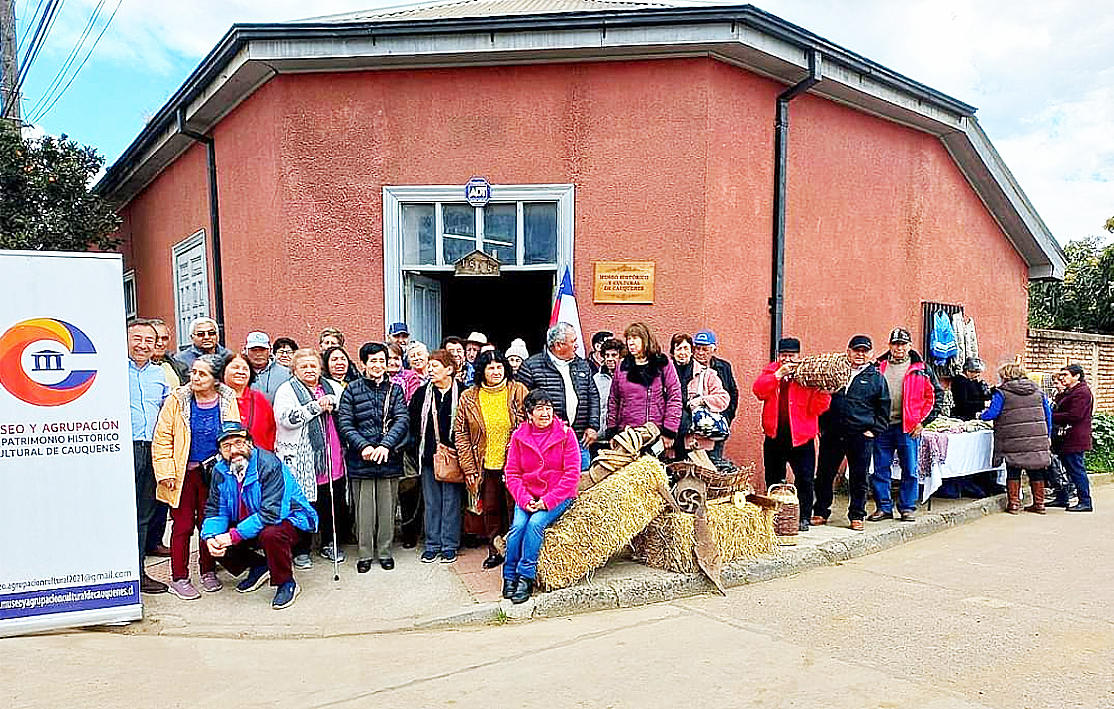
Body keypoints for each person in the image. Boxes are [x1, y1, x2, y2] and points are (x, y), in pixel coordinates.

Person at [201, 421, 319, 610]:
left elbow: (272, 513)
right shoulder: (220, 471)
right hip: (251, 521)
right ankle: (259, 566)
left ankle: (286, 582)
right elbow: (216, 509)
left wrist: (233, 536)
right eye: (226, 446)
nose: (234, 451)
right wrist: (210, 537)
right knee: (210, 537)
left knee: (270, 534)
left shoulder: (269, 464)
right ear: (220, 451)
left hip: (290, 520)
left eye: (239, 443)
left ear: (250, 443)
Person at [152, 354, 240, 600]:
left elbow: (233, 437)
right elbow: (162, 438)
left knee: (209, 523)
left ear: (215, 379)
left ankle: (208, 570)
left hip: (214, 474)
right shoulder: (177, 400)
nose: (195, 377)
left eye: (202, 374)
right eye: (193, 372)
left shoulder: (226, 399)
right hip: (182, 475)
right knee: (182, 527)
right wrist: (166, 471)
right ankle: (179, 576)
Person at [502, 388, 582, 604]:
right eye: (539, 409)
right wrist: (525, 499)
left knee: (535, 525)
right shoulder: (519, 436)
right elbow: (512, 473)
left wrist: (546, 501)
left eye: (548, 408)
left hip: (557, 495)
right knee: (518, 527)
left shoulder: (566, 434)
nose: (545, 413)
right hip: (527, 494)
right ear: (529, 413)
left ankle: (525, 577)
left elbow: (572, 474)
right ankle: (509, 575)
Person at [336, 342, 410, 572]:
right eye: (373, 361)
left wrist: (386, 446)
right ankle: (365, 554)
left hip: (389, 458)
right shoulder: (352, 389)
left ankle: (385, 551)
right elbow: (345, 423)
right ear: (363, 364)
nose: (378, 365)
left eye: (382, 361)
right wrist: (364, 446)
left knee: (388, 509)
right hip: (361, 459)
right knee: (364, 509)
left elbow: (402, 420)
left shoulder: (395, 390)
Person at [456, 349, 529, 569]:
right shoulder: (469, 396)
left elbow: (530, 423)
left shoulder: (518, 391)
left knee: (514, 509)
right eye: (490, 367)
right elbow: (461, 434)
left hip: (516, 465)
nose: (496, 371)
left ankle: (517, 551)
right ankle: (496, 550)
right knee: (491, 510)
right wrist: (468, 467)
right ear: (482, 370)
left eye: (499, 366)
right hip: (485, 465)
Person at [273, 349, 346, 567]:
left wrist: (333, 402)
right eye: (303, 366)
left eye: (313, 365)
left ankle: (329, 543)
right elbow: (286, 419)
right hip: (301, 456)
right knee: (303, 503)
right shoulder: (286, 390)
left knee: (330, 501)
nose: (309, 370)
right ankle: (301, 548)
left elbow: (344, 408)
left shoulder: (330, 386)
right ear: (294, 369)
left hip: (331, 452)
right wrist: (316, 406)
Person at [751, 337, 831, 531]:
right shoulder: (771, 370)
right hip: (774, 437)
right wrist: (778, 375)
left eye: (791, 356)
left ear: (798, 356)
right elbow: (759, 391)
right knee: (774, 478)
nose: (787, 359)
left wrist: (823, 392)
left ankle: (803, 517)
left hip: (801, 439)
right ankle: (773, 517)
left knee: (804, 479)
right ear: (779, 356)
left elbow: (818, 409)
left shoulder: (808, 374)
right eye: (784, 355)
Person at [814, 336, 890, 531]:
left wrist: (873, 430)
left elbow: (884, 407)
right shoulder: (835, 372)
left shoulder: (877, 378)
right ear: (848, 351)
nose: (860, 354)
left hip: (860, 435)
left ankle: (857, 515)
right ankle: (821, 511)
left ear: (871, 354)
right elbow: (821, 397)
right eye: (856, 350)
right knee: (824, 474)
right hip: (832, 433)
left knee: (859, 477)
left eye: (865, 351)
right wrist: (822, 426)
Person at [869, 327, 942, 522]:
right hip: (883, 426)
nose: (899, 348)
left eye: (902, 344)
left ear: (909, 346)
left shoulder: (922, 368)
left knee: (910, 469)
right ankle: (884, 507)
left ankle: (907, 507)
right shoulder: (877, 366)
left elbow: (936, 397)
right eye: (895, 344)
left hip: (909, 427)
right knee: (880, 470)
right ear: (889, 345)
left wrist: (922, 422)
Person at [408, 350, 465, 563]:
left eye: (435, 365)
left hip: (455, 458)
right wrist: (417, 448)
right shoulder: (422, 394)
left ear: (449, 369)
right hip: (428, 457)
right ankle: (432, 544)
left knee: (451, 501)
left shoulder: (464, 393)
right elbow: (412, 424)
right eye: (429, 365)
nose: (430, 369)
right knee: (432, 502)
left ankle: (449, 545)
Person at [517, 322, 600, 467]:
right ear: (559, 345)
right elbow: (521, 404)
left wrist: (593, 426)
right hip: (545, 443)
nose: (577, 345)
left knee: (580, 487)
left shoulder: (582, 365)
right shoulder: (531, 366)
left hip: (580, 440)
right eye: (573, 341)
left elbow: (593, 397)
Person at [127, 320, 171, 594]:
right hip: (123, 449)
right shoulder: (110, 370)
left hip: (151, 448)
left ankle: (138, 572)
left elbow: (168, 408)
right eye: (136, 338)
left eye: (149, 340)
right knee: (120, 512)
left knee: (145, 514)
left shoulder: (159, 374)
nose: (142, 345)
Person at [979, 363, 1052, 514]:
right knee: (1036, 470)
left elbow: (992, 413)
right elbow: (1048, 414)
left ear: (1006, 376)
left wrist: (981, 415)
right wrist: (1048, 435)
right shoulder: (1038, 392)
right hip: (1036, 437)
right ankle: (1039, 504)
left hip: (1012, 438)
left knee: (1013, 469)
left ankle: (1013, 505)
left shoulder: (1002, 392)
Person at [606, 322, 682, 450]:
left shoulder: (662, 364)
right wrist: (612, 431)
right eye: (629, 338)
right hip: (627, 434)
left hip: (654, 434)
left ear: (646, 339)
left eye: (635, 338)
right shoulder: (622, 366)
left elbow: (674, 397)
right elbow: (614, 400)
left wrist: (669, 431)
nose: (631, 342)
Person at [144, 318, 180, 558]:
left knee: (163, 494)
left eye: (163, 338)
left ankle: (155, 540)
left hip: (170, 438)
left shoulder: (174, 366)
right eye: (154, 338)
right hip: (145, 438)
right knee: (144, 496)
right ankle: (143, 543)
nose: (159, 343)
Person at [672, 333, 731, 457]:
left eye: (686, 348)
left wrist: (701, 400)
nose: (682, 352)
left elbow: (724, 398)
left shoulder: (707, 374)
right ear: (673, 351)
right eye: (678, 348)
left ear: (691, 351)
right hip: (672, 439)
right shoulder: (665, 373)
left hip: (699, 442)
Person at [388, 341, 423, 548]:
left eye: (396, 358)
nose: (392, 362)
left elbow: (410, 408)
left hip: (406, 441)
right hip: (382, 443)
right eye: (389, 358)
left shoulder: (410, 378)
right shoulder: (378, 380)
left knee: (409, 488)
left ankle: (410, 532)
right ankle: (387, 533)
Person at [1051, 364, 1094, 512]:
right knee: (1063, 469)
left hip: (1075, 437)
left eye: (1066, 375)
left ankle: (1085, 501)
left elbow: (1075, 415)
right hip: (1064, 437)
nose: (1062, 377)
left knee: (1076, 469)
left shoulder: (1082, 392)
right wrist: (1060, 392)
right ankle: (1062, 498)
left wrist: (1051, 416)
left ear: (1076, 376)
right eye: (1061, 375)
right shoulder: (1070, 391)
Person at [693, 329, 739, 463]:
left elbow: (733, 393)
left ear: (713, 349)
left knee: (714, 464)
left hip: (716, 426)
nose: (701, 353)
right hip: (693, 429)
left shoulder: (723, 367)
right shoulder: (688, 367)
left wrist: (727, 417)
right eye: (697, 348)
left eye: (705, 349)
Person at [224, 352, 276, 451]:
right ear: (224, 371)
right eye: (235, 367)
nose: (240, 372)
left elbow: (271, 431)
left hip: (256, 460)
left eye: (245, 369)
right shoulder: (214, 398)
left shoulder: (259, 399)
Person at [244, 331, 290, 404]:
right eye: (254, 350)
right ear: (246, 351)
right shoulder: (240, 373)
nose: (258, 354)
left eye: (262, 350)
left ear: (270, 350)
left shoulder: (286, 374)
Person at [592, 337, 623, 433]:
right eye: (607, 355)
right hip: (600, 433)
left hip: (623, 433)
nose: (609, 359)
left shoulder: (629, 379)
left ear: (621, 356)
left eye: (614, 355)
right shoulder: (596, 379)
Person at [149, 318, 187, 386]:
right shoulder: (133, 367)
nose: (160, 343)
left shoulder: (180, 366)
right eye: (155, 338)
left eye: (164, 339)